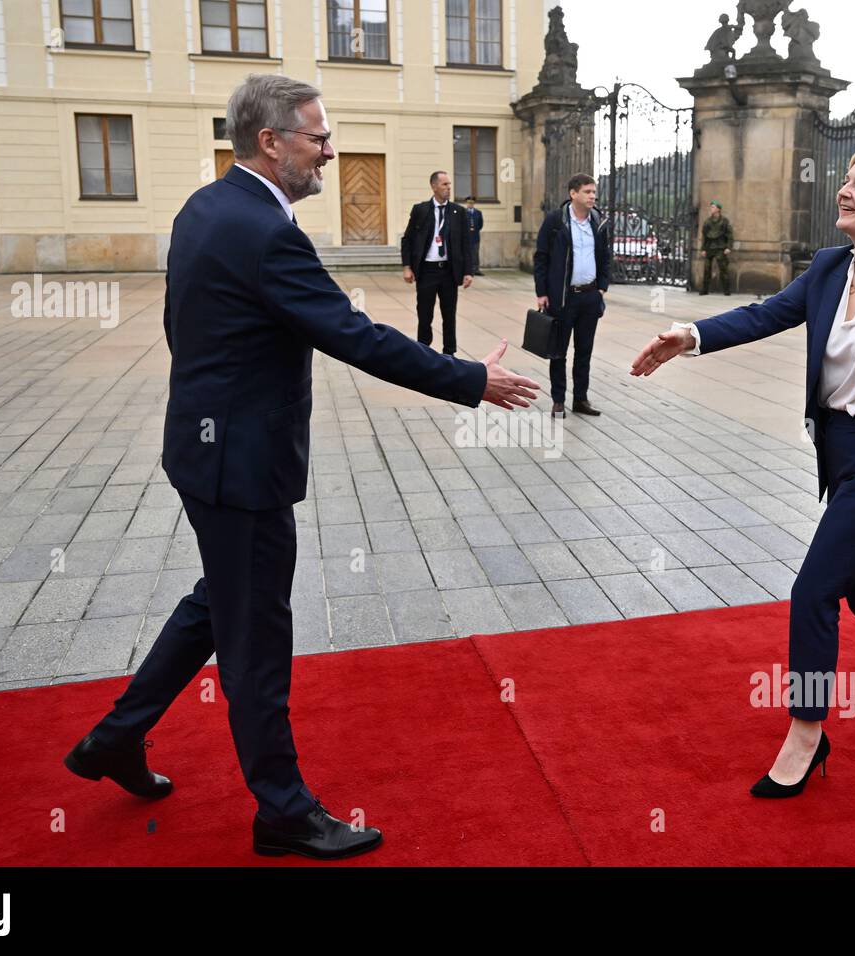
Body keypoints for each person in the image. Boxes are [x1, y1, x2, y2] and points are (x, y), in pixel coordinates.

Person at [63, 75, 539, 860]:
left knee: (219, 603)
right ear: (270, 142)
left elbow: (181, 324)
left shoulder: (205, 207)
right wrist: (469, 380)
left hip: (204, 451)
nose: (330, 150)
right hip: (242, 469)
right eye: (318, 138)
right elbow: (353, 335)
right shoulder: (266, 232)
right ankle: (282, 811)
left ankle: (116, 737)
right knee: (256, 638)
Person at [632, 147, 855, 797]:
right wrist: (688, 336)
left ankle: (807, 730)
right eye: (846, 181)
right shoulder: (829, 268)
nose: (845, 191)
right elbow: (764, 314)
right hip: (843, 453)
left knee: (813, 592)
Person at [534, 173, 611, 418]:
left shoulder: (597, 221)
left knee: (584, 351)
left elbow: (605, 256)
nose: (592, 196)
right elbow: (541, 257)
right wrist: (542, 292)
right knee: (559, 351)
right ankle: (558, 400)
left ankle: (581, 399)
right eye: (587, 192)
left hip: (589, 296)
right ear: (573, 193)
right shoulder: (556, 221)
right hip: (563, 298)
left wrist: (602, 288)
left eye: (593, 192)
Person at [401, 171, 473, 354]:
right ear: (433, 186)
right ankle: (423, 351)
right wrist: (407, 267)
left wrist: (468, 272)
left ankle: (450, 353)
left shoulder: (458, 212)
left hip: (449, 271)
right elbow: (407, 239)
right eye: (444, 185)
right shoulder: (421, 210)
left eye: (449, 184)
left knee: (449, 315)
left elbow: (466, 244)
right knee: (424, 315)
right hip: (427, 271)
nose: (449, 188)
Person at [700, 200, 733, 295]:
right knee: (707, 269)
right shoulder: (707, 222)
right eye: (711, 207)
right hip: (709, 248)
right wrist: (703, 249)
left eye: (713, 207)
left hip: (720, 248)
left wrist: (728, 247)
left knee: (723, 269)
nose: (711, 209)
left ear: (718, 209)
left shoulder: (724, 221)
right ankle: (704, 289)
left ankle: (727, 290)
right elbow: (704, 236)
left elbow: (729, 235)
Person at [465, 195, 484, 275]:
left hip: (475, 237)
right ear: (466, 203)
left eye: (472, 203)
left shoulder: (478, 213)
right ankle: (467, 270)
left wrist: (475, 230)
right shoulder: (464, 212)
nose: (470, 204)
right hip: (466, 237)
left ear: (474, 203)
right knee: (466, 253)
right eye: (469, 203)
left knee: (475, 253)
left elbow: (480, 224)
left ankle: (476, 270)